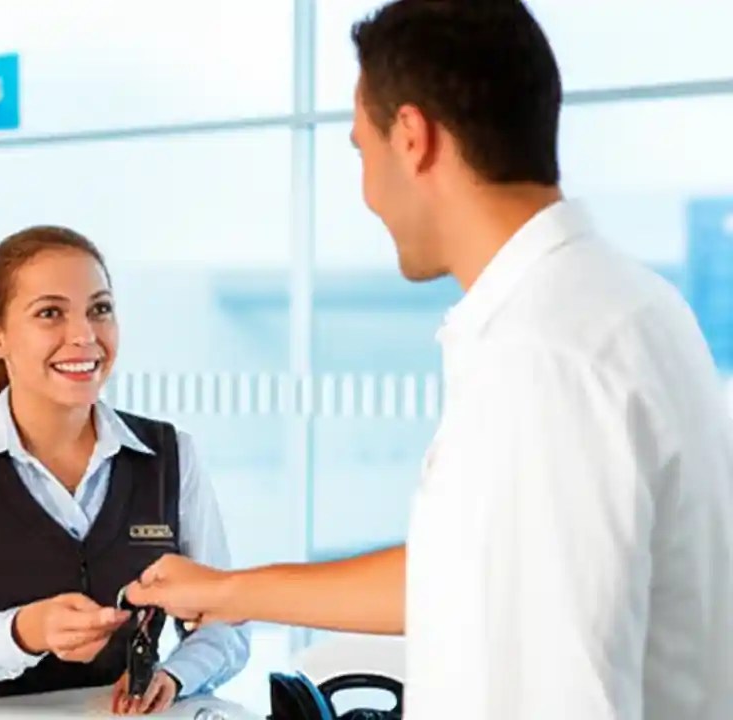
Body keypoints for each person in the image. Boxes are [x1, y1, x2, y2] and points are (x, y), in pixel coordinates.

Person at [126, 1, 733, 719]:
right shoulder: (625, 306)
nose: (366, 193)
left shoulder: (540, 357)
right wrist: (227, 590)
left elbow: (565, 685)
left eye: (361, 149)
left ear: (411, 137)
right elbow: (470, 574)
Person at [0, 225, 250, 714]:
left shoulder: (170, 455)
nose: (83, 335)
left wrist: (175, 673)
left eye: (99, 309)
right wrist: (26, 632)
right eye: (50, 313)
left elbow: (224, 620)